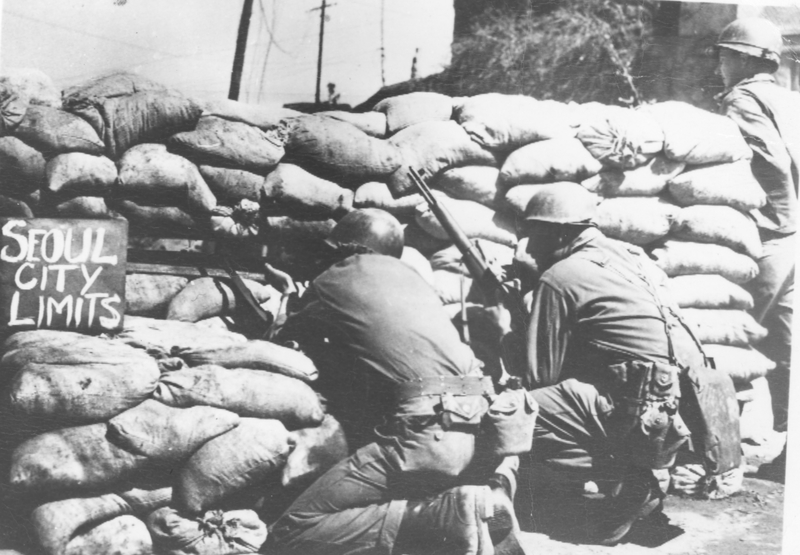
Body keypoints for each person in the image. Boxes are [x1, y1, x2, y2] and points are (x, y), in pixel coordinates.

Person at [266, 208, 525, 555]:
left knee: (293, 530)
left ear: (346, 248)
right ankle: (488, 495)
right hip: (482, 427)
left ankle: (442, 514)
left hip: (426, 432)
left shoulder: (333, 277)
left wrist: (287, 296)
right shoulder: (415, 279)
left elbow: (283, 341)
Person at [497, 184, 737, 545]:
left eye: (536, 233)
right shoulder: (633, 256)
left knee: (515, 410)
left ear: (562, 231)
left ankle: (618, 489)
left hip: (640, 410)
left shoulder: (561, 276)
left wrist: (518, 322)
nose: (530, 245)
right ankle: (631, 480)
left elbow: (538, 376)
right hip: (683, 405)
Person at [713, 17, 800, 430]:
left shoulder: (742, 99)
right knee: (788, 345)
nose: (719, 67)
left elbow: (771, 163)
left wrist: (765, 222)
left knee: (728, 335)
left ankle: (715, 449)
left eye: (724, 56)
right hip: (794, 235)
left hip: (770, 237)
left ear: (742, 60)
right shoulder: (789, 98)